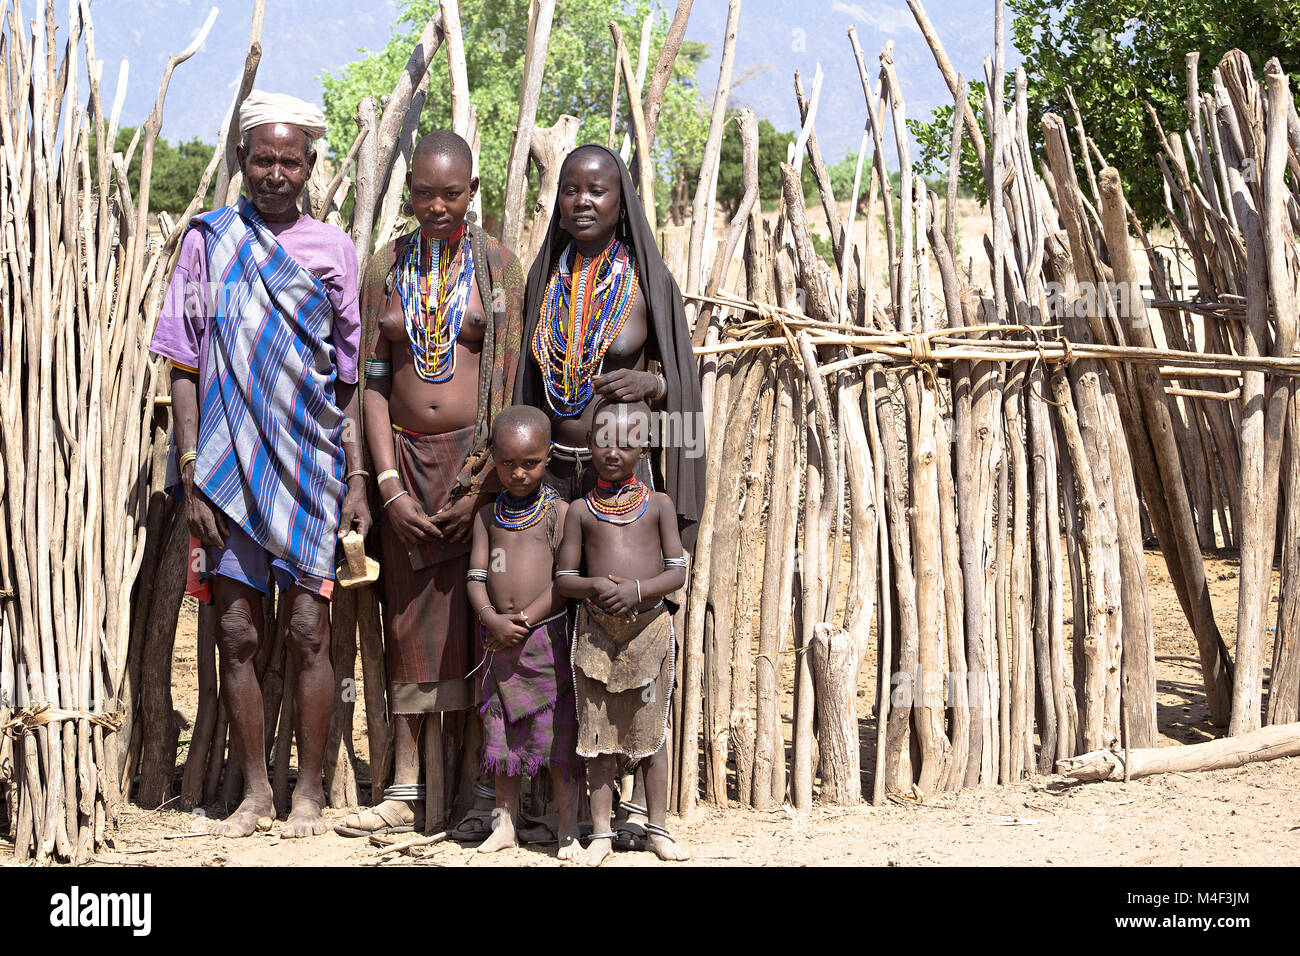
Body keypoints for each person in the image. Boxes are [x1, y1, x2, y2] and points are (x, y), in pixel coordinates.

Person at [149, 91, 370, 838]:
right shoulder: (208, 243)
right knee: (237, 634)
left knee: (309, 630)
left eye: (291, 161)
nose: (276, 173)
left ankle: (307, 792)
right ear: (243, 160)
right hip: (226, 474)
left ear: (311, 167)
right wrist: (191, 470)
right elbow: (183, 360)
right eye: (263, 159)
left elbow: (348, 375)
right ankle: (253, 794)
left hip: (309, 471)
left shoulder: (333, 251)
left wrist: (350, 476)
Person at [334, 131, 525, 838]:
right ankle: (407, 787)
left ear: (473, 192)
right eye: (424, 192)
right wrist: (386, 485)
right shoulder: (387, 266)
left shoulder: (500, 267)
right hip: (404, 468)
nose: (438, 206)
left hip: (479, 472)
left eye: (452, 193)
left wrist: (484, 481)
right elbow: (372, 385)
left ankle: (480, 789)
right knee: (408, 620)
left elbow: (509, 381)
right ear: (408, 191)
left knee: (482, 622)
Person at [515, 143, 705, 846]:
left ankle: (636, 811)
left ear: (623, 202)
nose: (584, 201)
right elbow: (527, 389)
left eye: (598, 190)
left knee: (627, 637)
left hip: (620, 490)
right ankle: (560, 805)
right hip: (552, 483)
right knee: (554, 637)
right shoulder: (544, 282)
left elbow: (684, 391)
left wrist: (656, 389)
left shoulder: (649, 284)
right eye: (571, 190)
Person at [553, 400, 690, 865]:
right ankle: (602, 835)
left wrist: (639, 589)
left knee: (652, 735)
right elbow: (563, 579)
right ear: (589, 445)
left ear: (644, 448)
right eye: (604, 440)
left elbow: (677, 571)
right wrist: (593, 584)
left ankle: (658, 829)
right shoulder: (579, 511)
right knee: (598, 736)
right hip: (596, 635)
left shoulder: (659, 505)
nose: (614, 451)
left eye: (628, 442)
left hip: (649, 631)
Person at [465, 405, 581, 858]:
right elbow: (477, 576)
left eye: (529, 463)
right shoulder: (488, 517)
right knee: (502, 741)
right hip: (498, 643)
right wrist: (491, 619)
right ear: (492, 456)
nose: (518, 472)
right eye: (507, 462)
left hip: (545, 642)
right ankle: (505, 825)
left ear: (548, 456)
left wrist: (525, 620)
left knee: (558, 741)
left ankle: (569, 829)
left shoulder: (560, 514)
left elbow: (564, 581)